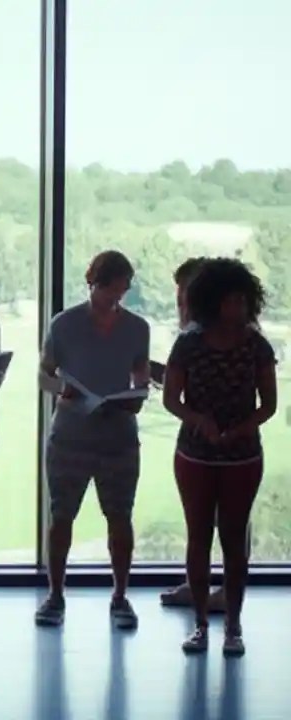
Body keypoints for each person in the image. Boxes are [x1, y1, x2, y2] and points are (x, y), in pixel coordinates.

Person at [163, 258, 275, 657]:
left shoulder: (257, 344)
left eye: (243, 301)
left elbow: (270, 405)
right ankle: (199, 624)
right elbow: (170, 399)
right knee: (198, 536)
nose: (238, 309)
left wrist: (245, 426)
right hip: (195, 453)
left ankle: (233, 625)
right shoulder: (189, 343)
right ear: (212, 302)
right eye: (230, 301)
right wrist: (199, 420)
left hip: (242, 455)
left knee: (233, 538)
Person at [36, 250, 150, 629]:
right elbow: (44, 375)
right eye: (108, 291)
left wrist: (136, 397)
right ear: (93, 283)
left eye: (120, 293)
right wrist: (62, 389)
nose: (113, 300)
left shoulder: (137, 328)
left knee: (120, 516)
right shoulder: (64, 324)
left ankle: (120, 596)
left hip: (118, 435)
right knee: (61, 515)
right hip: (70, 435)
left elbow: (140, 377)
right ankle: (55, 595)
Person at [159, 256, 238, 615]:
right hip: (195, 446)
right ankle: (199, 585)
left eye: (185, 298)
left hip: (232, 448)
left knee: (232, 527)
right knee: (199, 525)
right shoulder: (189, 340)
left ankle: (226, 594)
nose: (180, 306)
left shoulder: (235, 337)